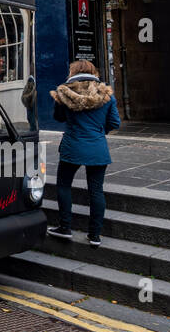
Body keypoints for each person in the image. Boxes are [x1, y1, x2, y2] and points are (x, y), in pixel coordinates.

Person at [48, 60, 121, 247]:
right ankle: (95, 236)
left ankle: (65, 228)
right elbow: (115, 123)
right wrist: (97, 132)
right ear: (93, 71)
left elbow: (58, 118)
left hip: (72, 145)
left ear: (72, 72)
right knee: (96, 190)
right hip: (97, 147)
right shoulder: (106, 95)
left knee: (64, 185)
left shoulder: (65, 93)